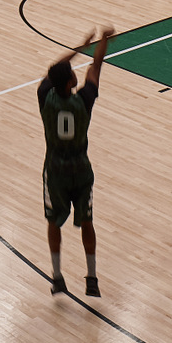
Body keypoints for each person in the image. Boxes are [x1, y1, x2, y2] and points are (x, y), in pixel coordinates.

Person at [40, 26, 114, 297]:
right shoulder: (84, 100)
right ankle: (92, 278)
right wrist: (102, 42)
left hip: (55, 170)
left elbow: (56, 69)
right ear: (70, 82)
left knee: (53, 221)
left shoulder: (45, 97)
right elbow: (96, 66)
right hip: (80, 170)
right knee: (87, 222)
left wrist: (78, 46)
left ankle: (57, 276)